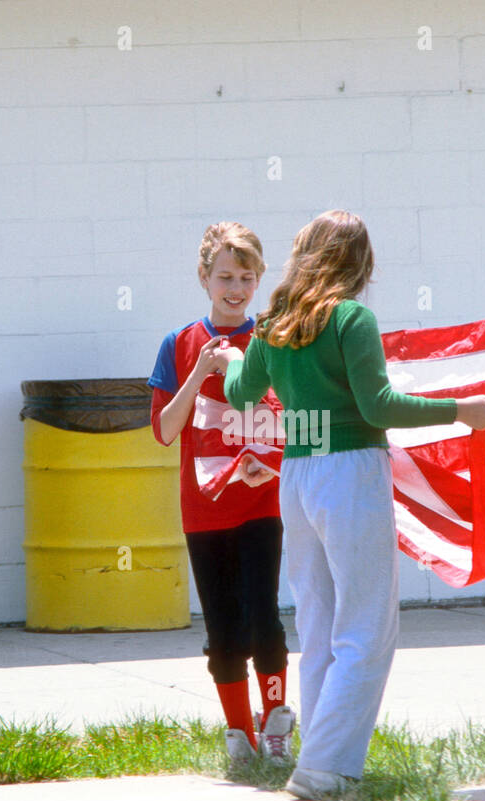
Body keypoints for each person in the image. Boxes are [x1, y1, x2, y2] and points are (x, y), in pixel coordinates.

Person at [219, 210, 485, 801]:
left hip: (295, 477)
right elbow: (377, 406)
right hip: (348, 473)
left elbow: (241, 395)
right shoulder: (351, 316)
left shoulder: (271, 322)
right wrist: (460, 410)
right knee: (367, 626)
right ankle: (324, 767)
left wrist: (234, 361)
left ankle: (319, 757)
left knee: (318, 625)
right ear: (360, 261)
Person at [148, 222, 296, 770]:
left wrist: (269, 464)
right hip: (204, 508)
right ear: (205, 278)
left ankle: (276, 723)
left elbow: (291, 420)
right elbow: (165, 431)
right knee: (223, 627)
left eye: (246, 277)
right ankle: (239, 733)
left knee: (263, 616)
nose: (236, 288)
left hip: (261, 502)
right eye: (225, 277)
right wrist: (200, 372)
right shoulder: (179, 343)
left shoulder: (273, 340)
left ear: (259, 280)